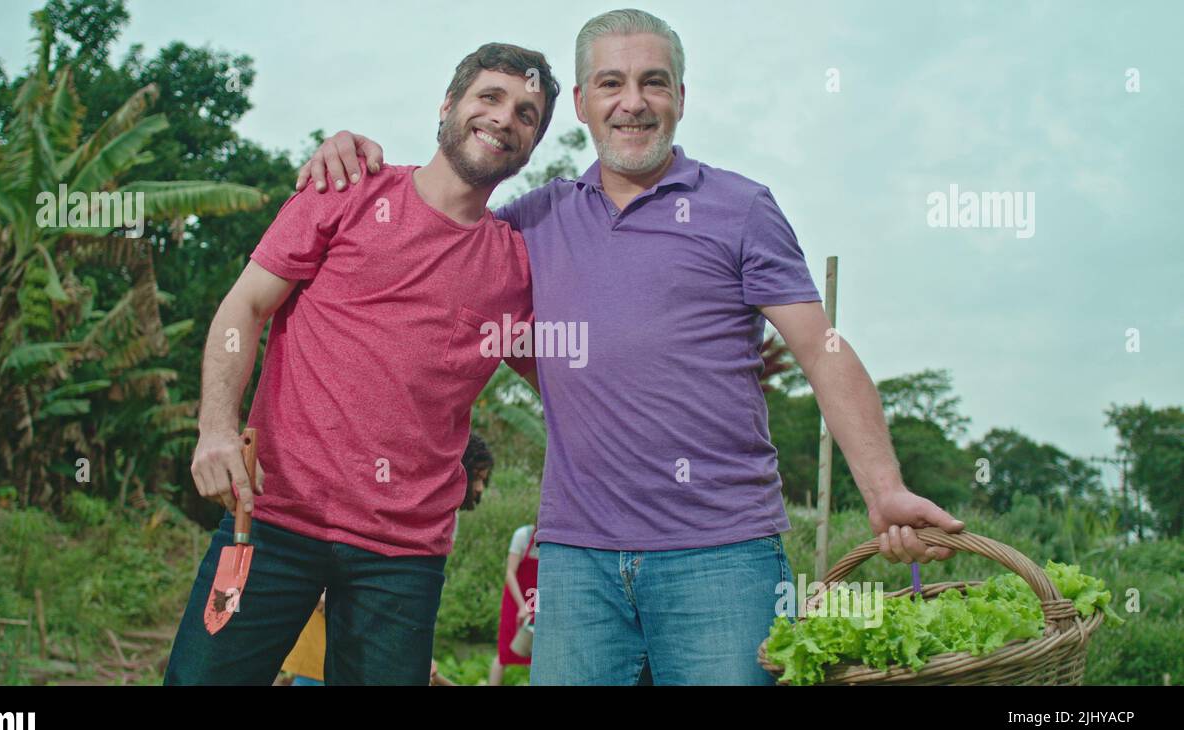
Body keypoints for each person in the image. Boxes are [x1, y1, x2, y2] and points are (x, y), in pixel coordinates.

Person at [295, 9, 967, 686]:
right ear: (583, 103)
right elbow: (438, 222)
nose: (634, 102)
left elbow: (821, 350)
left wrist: (883, 489)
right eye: (611, 83)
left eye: (654, 82)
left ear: (680, 97)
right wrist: (351, 157)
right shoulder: (532, 221)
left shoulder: (741, 208)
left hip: (722, 555)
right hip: (577, 562)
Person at [163, 43, 556, 685]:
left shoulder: (516, 270)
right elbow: (244, 307)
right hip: (268, 525)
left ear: (533, 143)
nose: (505, 118)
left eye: (527, 113)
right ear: (449, 104)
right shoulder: (347, 188)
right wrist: (215, 426)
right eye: (490, 97)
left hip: (402, 559)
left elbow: (576, 381)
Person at [282, 433, 495, 686]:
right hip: (333, 602)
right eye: (477, 477)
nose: (480, 488)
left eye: (484, 480)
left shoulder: (450, 520)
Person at [488, 521, 538, 685]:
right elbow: (510, 572)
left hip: (536, 599)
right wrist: (522, 606)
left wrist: (532, 606)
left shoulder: (554, 542)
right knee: (504, 652)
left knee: (537, 654)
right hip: (515, 598)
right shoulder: (522, 535)